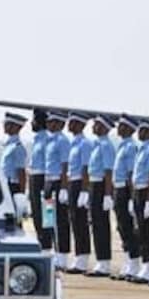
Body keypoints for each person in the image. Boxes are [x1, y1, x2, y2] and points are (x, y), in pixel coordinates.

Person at [129, 119, 149, 284]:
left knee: (148, 231)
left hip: (145, 192)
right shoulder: (141, 149)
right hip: (137, 191)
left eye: (142, 130)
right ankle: (146, 264)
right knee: (140, 230)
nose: (139, 133)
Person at [86, 115, 117, 277]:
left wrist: (107, 194)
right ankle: (100, 260)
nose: (93, 127)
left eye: (97, 124)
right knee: (95, 224)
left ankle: (104, 263)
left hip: (100, 186)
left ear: (105, 128)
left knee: (101, 224)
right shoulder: (96, 145)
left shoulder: (106, 146)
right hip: (93, 184)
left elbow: (108, 172)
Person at [111, 115, 140, 280]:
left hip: (125, 190)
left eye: (122, 126)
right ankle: (128, 261)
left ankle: (134, 263)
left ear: (129, 129)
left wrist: (131, 197)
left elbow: (131, 174)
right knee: (122, 227)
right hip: (118, 189)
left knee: (129, 228)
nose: (119, 128)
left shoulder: (130, 147)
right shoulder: (122, 146)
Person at [42, 112, 72, 272]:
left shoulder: (62, 141)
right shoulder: (50, 140)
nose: (49, 124)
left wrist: (64, 188)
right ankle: (54, 252)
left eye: (52, 122)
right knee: (48, 219)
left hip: (57, 182)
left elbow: (65, 165)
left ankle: (62, 256)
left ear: (60, 124)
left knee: (60, 221)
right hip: (48, 181)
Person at [64, 112, 93, 275]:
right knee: (74, 221)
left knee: (81, 222)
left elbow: (85, 169)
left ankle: (82, 259)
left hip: (78, 183)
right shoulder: (74, 143)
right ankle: (78, 256)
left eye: (73, 122)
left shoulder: (84, 144)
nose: (70, 125)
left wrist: (83, 190)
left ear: (81, 125)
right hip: (72, 183)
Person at [28, 110, 53, 255]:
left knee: (46, 215)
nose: (31, 123)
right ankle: (41, 243)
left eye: (33, 120)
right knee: (37, 214)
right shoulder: (37, 139)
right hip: (34, 177)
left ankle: (47, 246)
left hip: (43, 178)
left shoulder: (46, 140)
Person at [1, 112, 28, 195]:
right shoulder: (8, 145)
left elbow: (21, 172)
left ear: (16, 127)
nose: (4, 126)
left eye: (7, 124)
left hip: (13, 185)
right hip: (5, 183)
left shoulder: (17, 147)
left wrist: (22, 194)